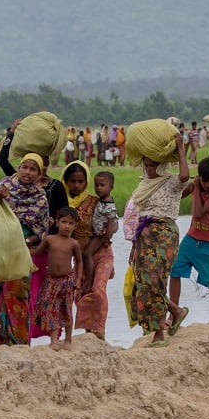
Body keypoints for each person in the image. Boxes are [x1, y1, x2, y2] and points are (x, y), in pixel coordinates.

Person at [128, 132, 191, 348]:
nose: (150, 168)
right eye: (147, 164)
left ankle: (159, 334)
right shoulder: (143, 186)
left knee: (155, 281)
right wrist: (134, 245)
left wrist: (181, 149)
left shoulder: (171, 182)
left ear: (162, 164)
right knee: (144, 283)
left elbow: (184, 176)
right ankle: (175, 311)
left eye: (154, 164)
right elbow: (138, 216)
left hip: (163, 233)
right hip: (144, 235)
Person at [0, 153, 51, 349]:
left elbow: (41, 230)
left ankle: (19, 344)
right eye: (24, 167)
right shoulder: (3, 186)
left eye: (33, 169)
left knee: (18, 295)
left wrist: (24, 240)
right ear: (19, 168)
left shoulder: (40, 198)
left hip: (21, 251)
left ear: (39, 174)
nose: (27, 172)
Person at [169, 157, 209, 323]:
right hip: (192, 239)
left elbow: (199, 212)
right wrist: (192, 186)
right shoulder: (196, 185)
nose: (208, 185)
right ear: (200, 176)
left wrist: (198, 188)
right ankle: (173, 314)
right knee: (174, 269)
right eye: (205, 181)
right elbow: (178, 196)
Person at [75, 171, 118, 339]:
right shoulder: (92, 201)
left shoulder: (107, 203)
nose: (99, 188)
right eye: (97, 185)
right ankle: (88, 331)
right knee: (79, 293)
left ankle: (99, 331)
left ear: (111, 187)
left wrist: (106, 239)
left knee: (97, 290)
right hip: (95, 240)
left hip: (100, 240)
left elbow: (112, 223)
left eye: (102, 185)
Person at [32, 207, 82, 350]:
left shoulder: (74, 243)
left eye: (71, 223)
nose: (67, 226)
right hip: (51, 280)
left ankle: (68, 340)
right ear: (57, 222)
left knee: (66, 309)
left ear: (75, 225)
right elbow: (36, 252)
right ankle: (54, 341)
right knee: (50, 308)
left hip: (67, 280)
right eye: (64, 222)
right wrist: (25, 247)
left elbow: (79, 261)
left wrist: (78, 279)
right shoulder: (50, 240)